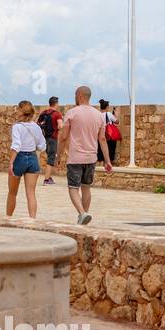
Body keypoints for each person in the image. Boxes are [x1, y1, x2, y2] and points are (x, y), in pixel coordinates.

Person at [54, 85, 112, 226]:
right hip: (91, 158)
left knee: (73, 188)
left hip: (75, 158)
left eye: (75, 94)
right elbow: (102, 139)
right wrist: (107, 161)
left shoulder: (72, 113)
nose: (74, 96)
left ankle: (82, 213)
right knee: (86, 187)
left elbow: (63, 137)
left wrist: (58, 156)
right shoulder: (98, 115)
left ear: (80, 95)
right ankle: (83, 217)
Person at [6, 100, 47, 219]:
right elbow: (42, 146)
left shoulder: (17, 127)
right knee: (31, 193)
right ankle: (32, 220)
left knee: (12, 193)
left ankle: (8, 218)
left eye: (17, 109)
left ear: (21, 111)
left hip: (19, 158)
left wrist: (11, 162)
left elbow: (16, 145)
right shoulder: (37, 127)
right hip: (33, 158)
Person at [37, 96, 64, 185]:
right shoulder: (57, 114)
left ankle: (49, 177)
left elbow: (38, 124)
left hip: (44, 138)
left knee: (49, 156)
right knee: (51, 158)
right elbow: (60, 125)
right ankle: (46, 180)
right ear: (56, 104)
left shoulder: (44, 113)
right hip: (53, 138)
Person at [99, 99, 120, 164]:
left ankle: (103, 163)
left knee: (102, 149)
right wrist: (116, 115)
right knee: (111, 148)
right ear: (107, 107)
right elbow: (117, 122)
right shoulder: (108, 114)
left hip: (101, 134)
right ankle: (108, 163)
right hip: (109, 135)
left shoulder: (98, 114)